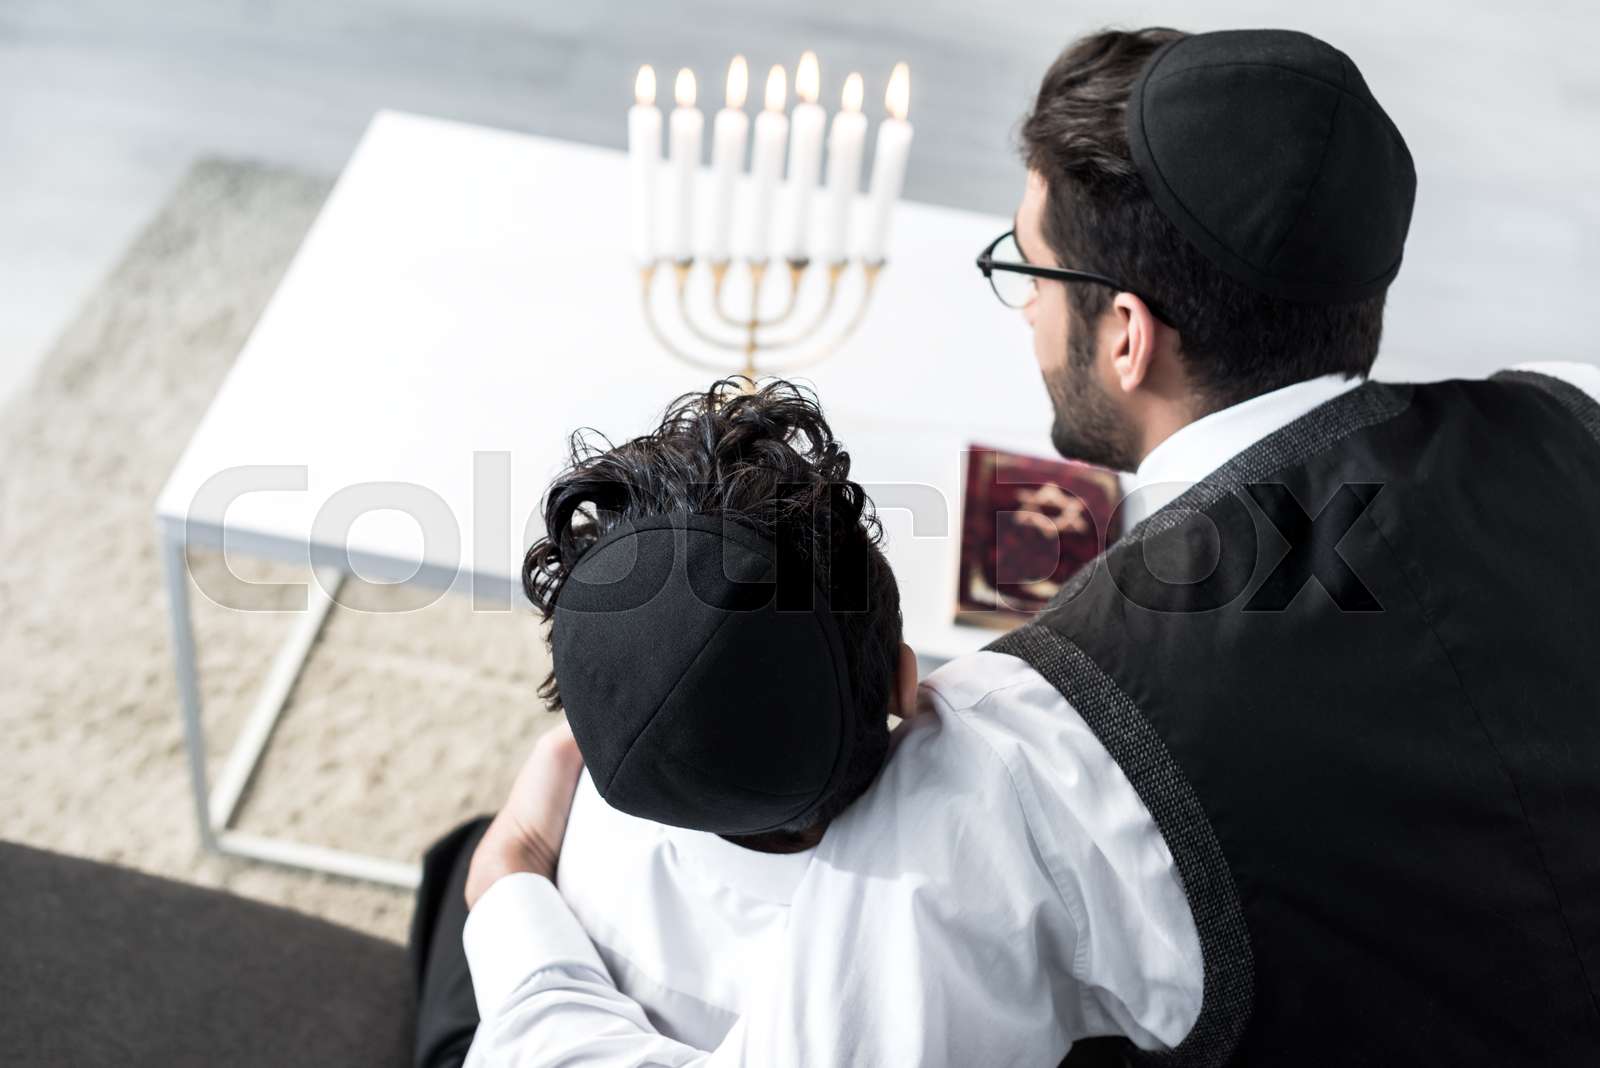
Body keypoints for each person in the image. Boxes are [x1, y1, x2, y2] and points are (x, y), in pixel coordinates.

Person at [414, 26, 1600, 1066]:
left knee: (461, 890)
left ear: (1126, 335)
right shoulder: (1572, 407)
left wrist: (515, 896)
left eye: (1030, 272)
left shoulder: (1030, 763)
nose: (1029, 309)